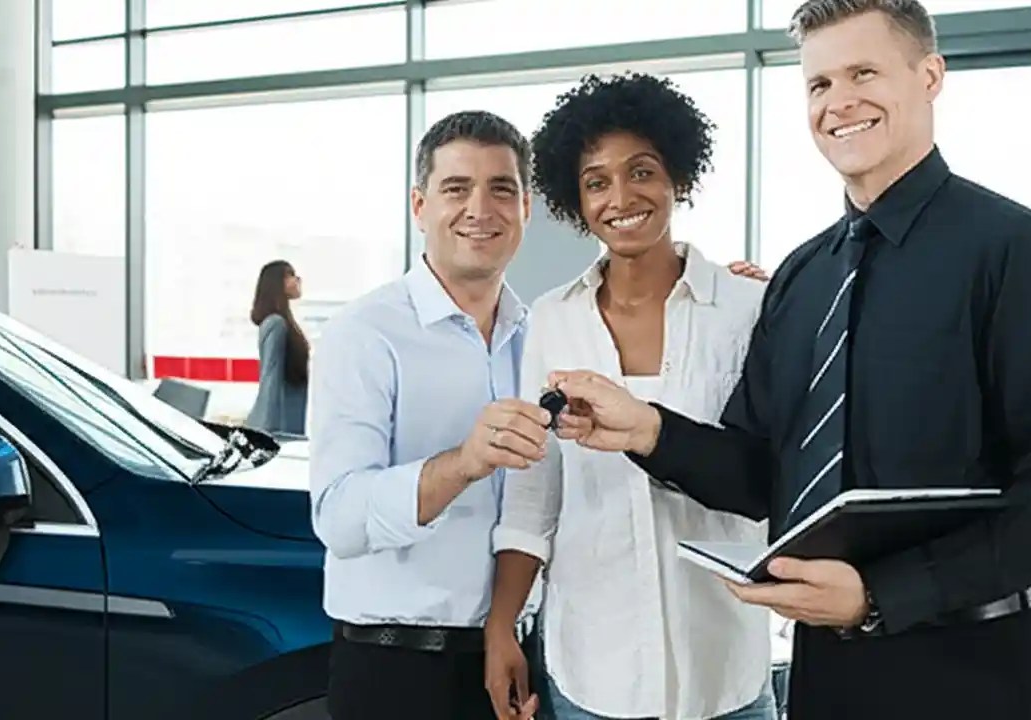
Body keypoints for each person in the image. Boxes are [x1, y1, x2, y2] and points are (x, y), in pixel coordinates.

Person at [545, 2, 1031, 719]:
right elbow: (764, 476)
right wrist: (648, 431)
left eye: (863, 73)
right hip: (828, 674)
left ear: (930, 76)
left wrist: (883, 595)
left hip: (974, 672)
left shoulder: (1017, 251)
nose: (838, 103)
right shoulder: (801, 278)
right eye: (819, 84)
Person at [484, 73, 776, 720]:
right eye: (596, 181)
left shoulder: (750, 309)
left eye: (641, 171)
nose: (621, 197)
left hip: (726, 665)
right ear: (574, 197)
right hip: (593, 668)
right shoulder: (553, 323)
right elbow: (534, 500)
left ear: (678, 175)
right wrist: (501, 628)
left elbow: (772, 472)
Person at [307, 110, 554, 720]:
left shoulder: (545, 336)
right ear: (419, 206)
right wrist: (463, 464)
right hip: (397, 673)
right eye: (456, 188)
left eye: (502, 189)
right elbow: (339, 517)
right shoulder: (364, 334)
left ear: (527, 209)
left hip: (518, 656)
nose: (481, 208)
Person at [246, 259, 310, 435]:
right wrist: (266, 432)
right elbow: (270, 377)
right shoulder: (276, 324)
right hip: (278, 427)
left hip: (288, 424)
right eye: (290, 275)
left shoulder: (285, 323)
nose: (297, 279)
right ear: (276, 284)